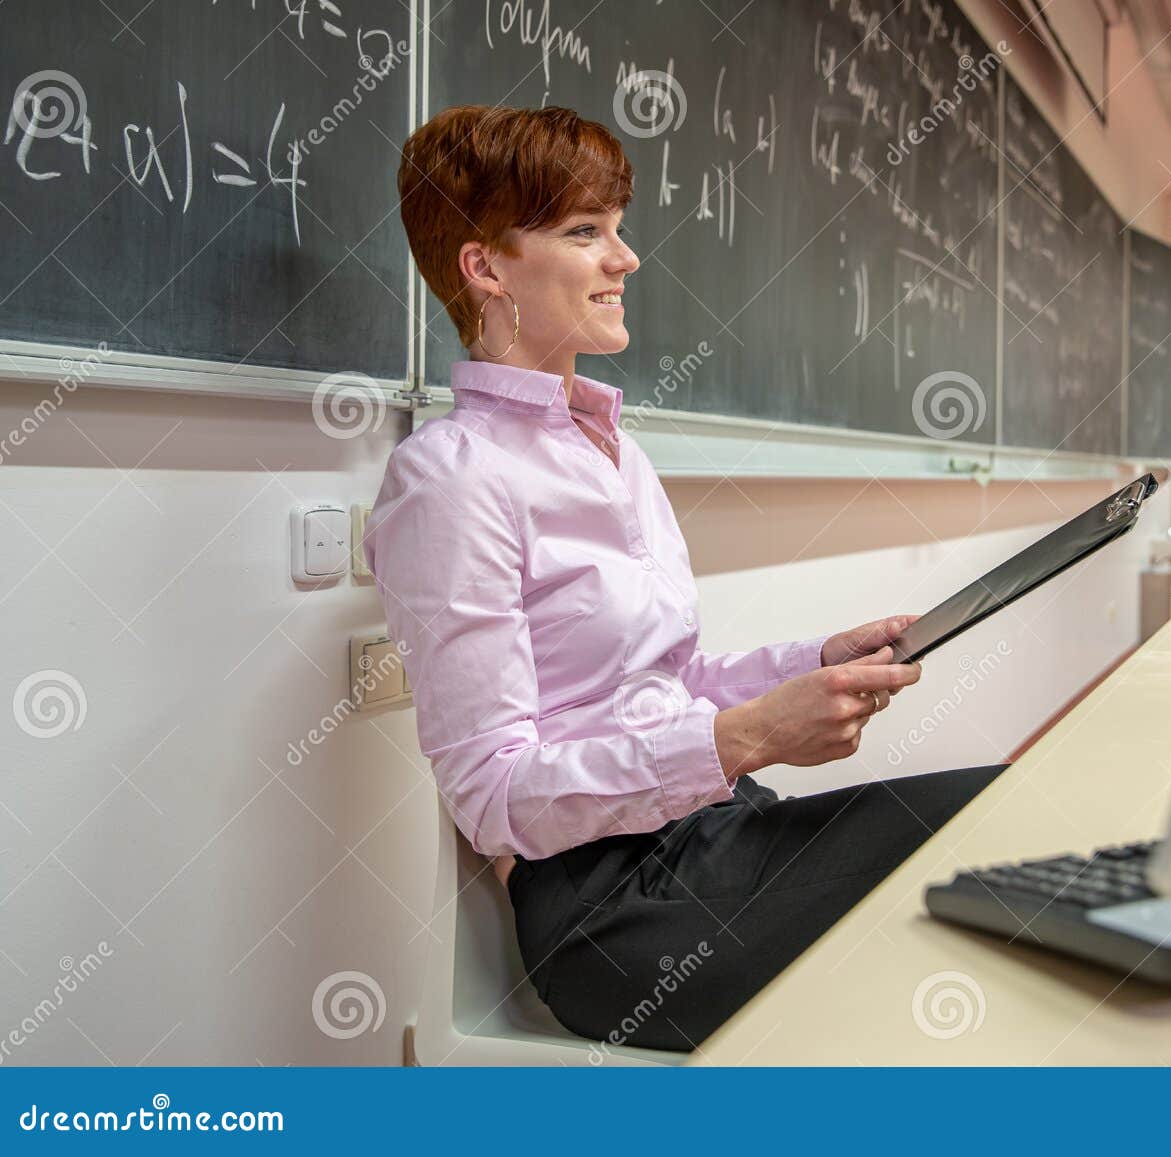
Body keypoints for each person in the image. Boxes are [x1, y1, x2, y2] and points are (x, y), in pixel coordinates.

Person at [365, 104, 1006, 1052]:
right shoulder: (450, 476)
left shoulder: (615, 452)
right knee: (979, 845)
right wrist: (747, 737)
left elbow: (659, 685)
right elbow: (493, 794)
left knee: (1003, 819)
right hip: (610, 908)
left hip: (708, 830)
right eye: (586, 232)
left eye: (616, 228)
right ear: (485, 266)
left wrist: (814, 661)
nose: (625, 259)